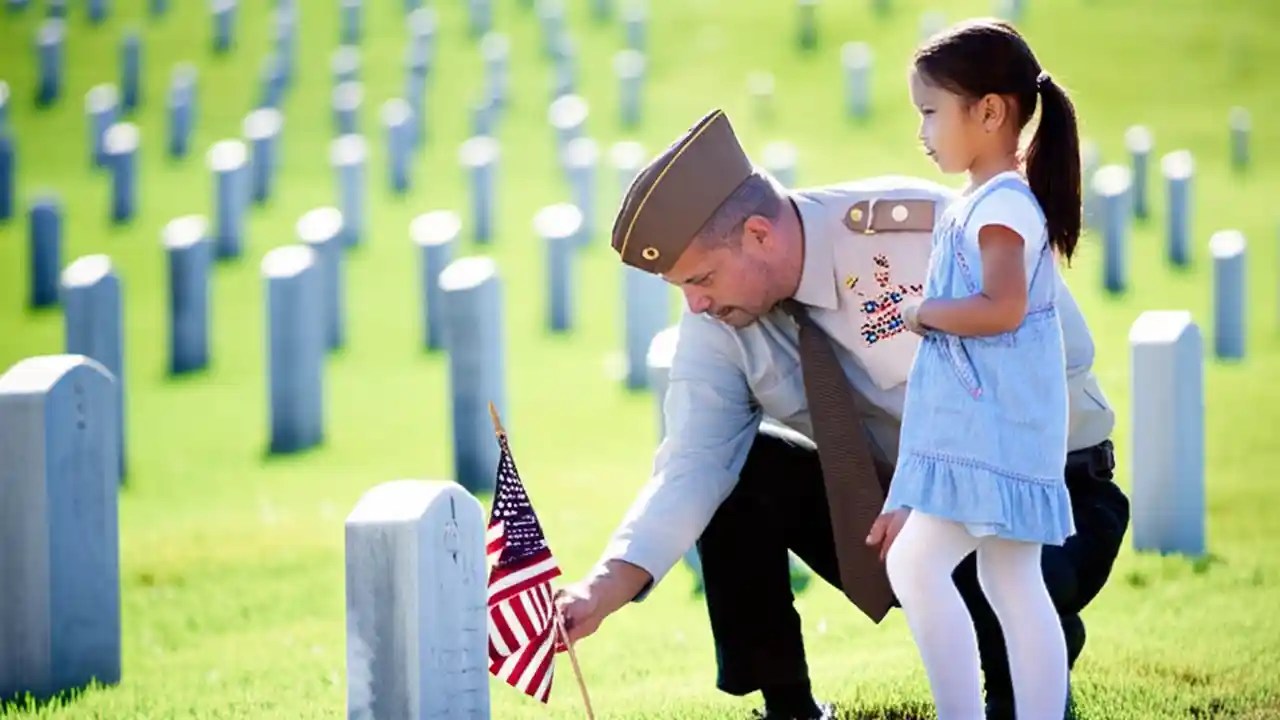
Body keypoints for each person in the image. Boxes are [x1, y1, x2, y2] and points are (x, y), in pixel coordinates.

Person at [554, 105, 1129, 720]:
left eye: (701, 278)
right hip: (891, 507)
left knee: (986, 566)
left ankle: (1028, 666)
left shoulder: (922, 235)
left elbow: (1012, 395)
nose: (694, 305)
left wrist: (927, 496)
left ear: (757, 234)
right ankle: (789, 707)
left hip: (1046, 497)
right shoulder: (720, 320)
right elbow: (693, 463)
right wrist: (602, 587)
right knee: (742, 470)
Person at [878, 17, 1085, 719]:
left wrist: (925, 312)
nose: (923, 132)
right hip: (995, 428)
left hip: (993, 433)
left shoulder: (1002, 207)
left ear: (990, 111)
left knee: (917, 564)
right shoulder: (984, 202)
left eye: (931, 112)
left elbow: (1001, 306)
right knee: (1010, 579)